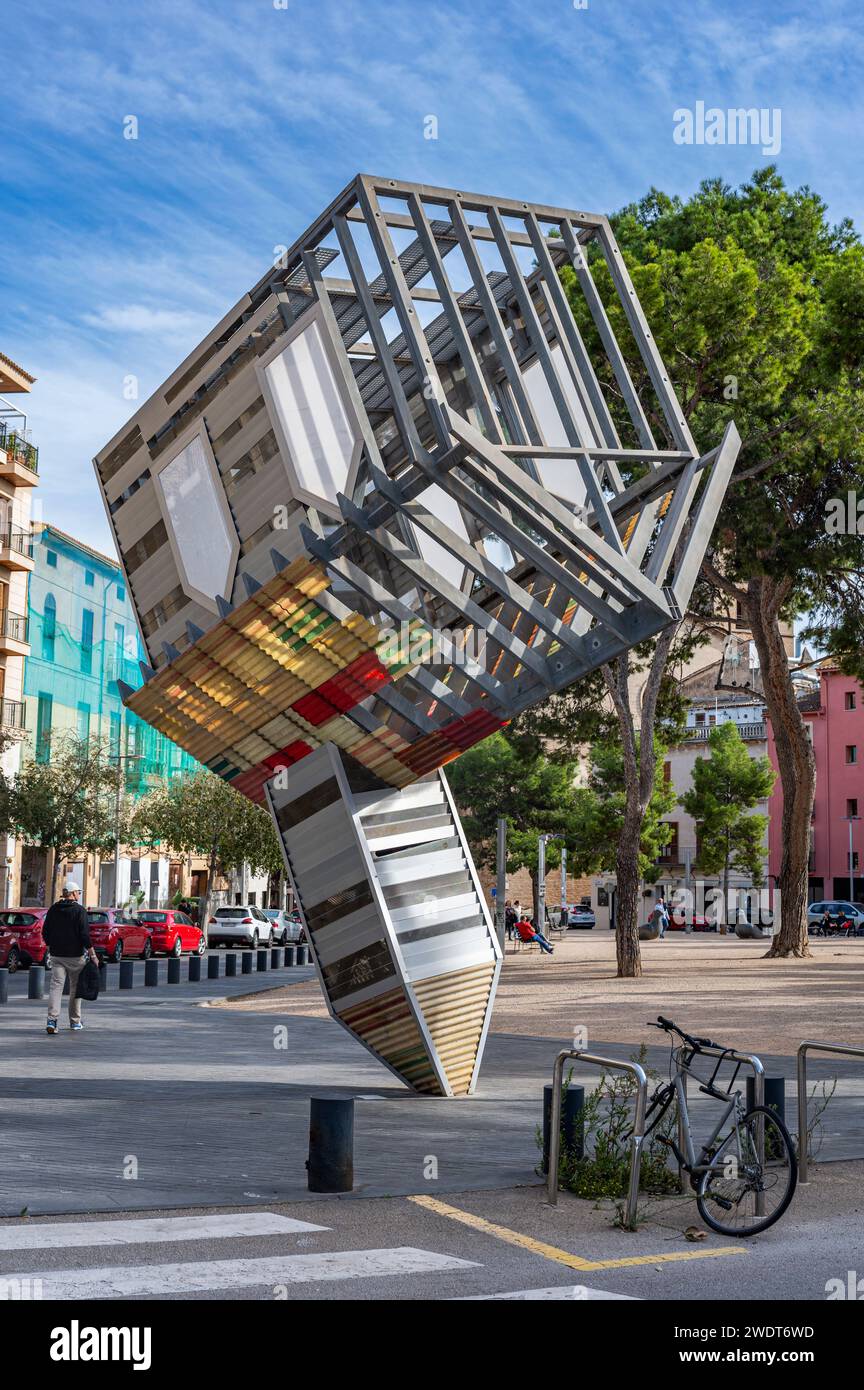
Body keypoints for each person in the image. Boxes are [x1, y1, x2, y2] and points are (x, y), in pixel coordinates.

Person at [42, 878, 98, 1035]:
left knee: (56, 987)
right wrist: (93, 954)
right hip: (75, 956)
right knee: (75, 988)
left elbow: (45, 931)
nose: (79, 895)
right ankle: (75, 1021)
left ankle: (52, 1020)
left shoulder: (53, 909)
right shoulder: (79, 911)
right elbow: (85, 935)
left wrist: (50, 945)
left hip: (57, 955)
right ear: (73, 893)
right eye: (78, 892)